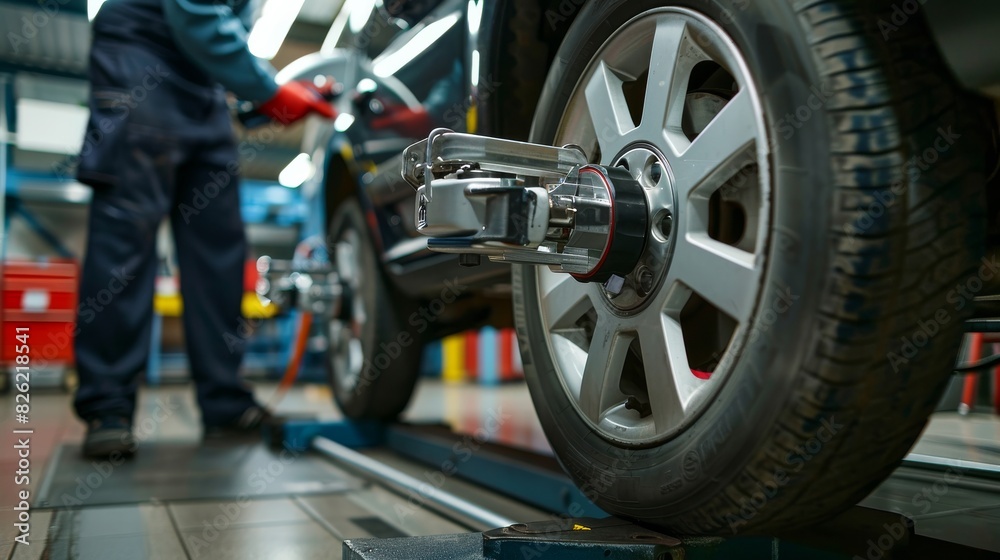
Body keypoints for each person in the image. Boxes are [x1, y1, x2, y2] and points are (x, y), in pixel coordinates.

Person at [73, 0, 334, 458]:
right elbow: (193, 12)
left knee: (220, 251)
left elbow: (219, 33)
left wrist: (259, 92)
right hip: (139, 51)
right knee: (126, 245)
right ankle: (108, 407)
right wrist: (270, 92)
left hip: (202, 80)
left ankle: (224, 402)